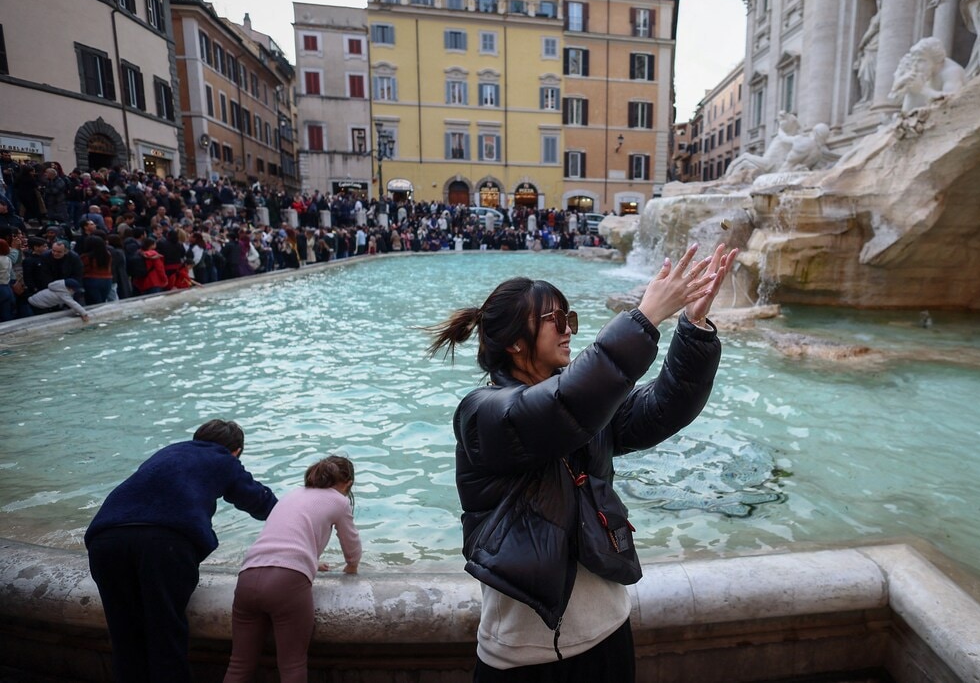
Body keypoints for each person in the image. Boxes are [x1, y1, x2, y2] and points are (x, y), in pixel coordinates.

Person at [425, 242, 736, 681]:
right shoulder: (484, 414)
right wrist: (643, 318)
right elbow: (558, 407)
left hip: (610, 633)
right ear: (515, 341)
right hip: (523, 657)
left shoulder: (584, 412)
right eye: (555, 320)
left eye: (570, 318)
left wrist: (694, 325)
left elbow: (666, 405)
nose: (568, 329)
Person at [85, 419, 278, 683]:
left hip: (105, 541)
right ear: (236, 450)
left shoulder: (169, 451)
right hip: (164, 544)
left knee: (125, 637)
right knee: (165, 635)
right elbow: (259, 502)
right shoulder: (223, 459)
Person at [222, 456, 362, 683]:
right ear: (347, 483)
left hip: (248, 576)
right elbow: (352, 545)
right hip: (287, 583)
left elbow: (285, 535)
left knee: (239, 665)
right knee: (292, 665)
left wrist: (311, 560)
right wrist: (351, 567)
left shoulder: (293, 494)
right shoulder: (339, 500)